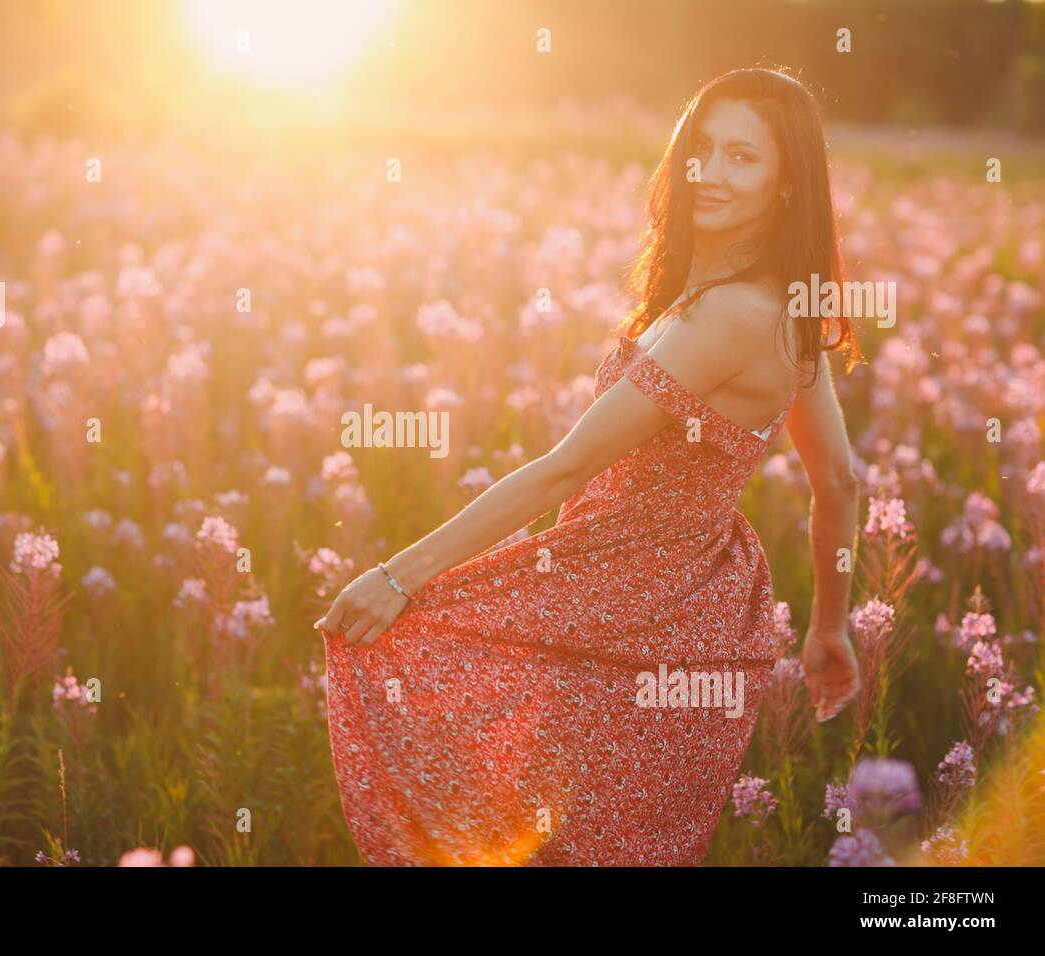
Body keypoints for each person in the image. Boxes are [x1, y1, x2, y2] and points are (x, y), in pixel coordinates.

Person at [317, 67, 863, 866]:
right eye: (700, 149)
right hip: (687, 609)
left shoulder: (727, 317)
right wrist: (827, 626)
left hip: (624, 611)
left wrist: (397, 576)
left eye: (743, 158)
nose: (707, 173)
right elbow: (840, 481)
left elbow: (561, 471)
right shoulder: (785, 303)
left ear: (788, 184)